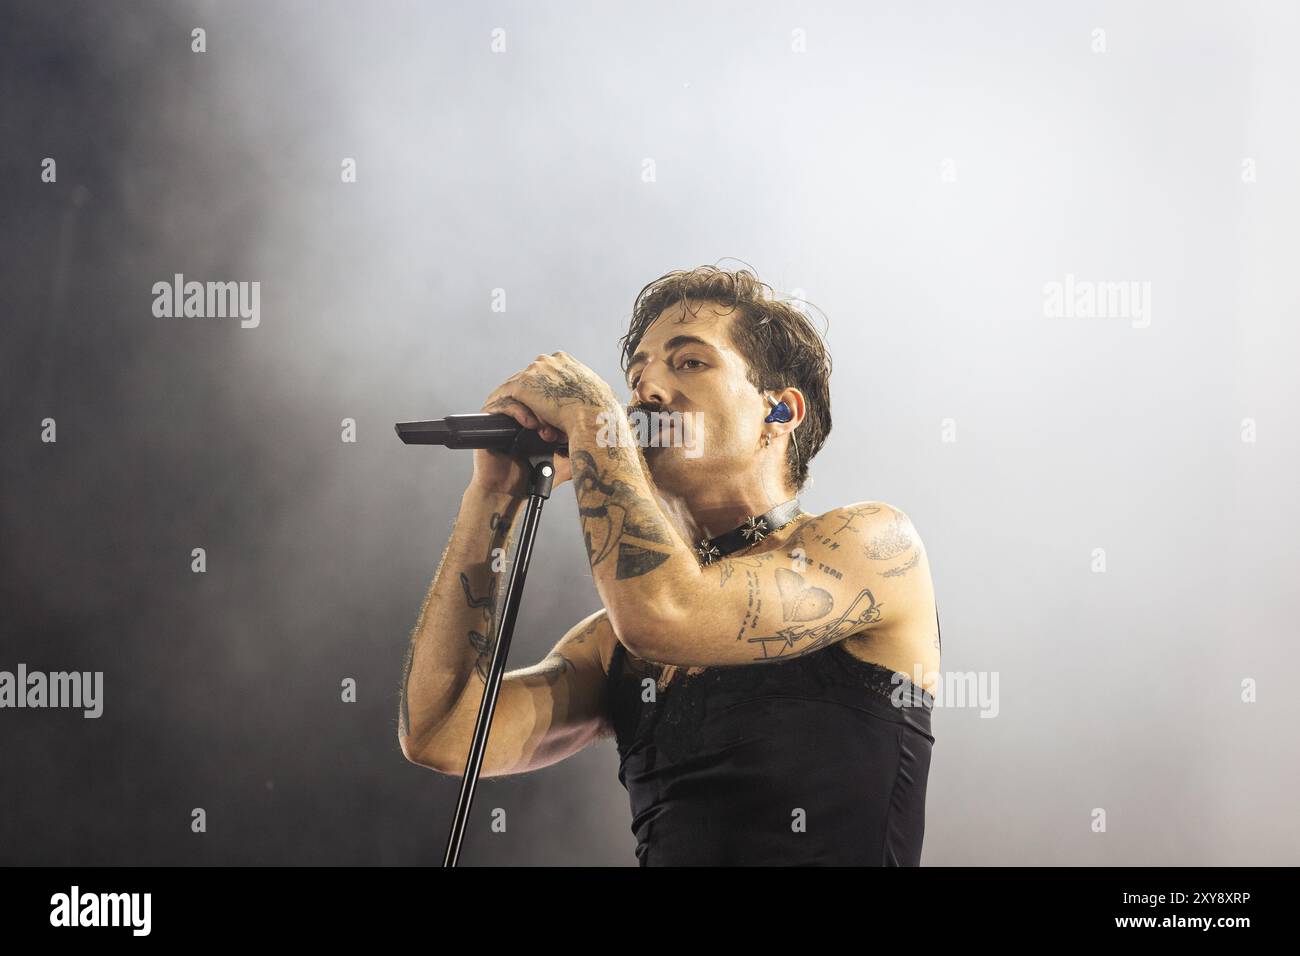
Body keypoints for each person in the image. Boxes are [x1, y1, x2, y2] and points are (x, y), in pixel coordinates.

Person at [397, 265, 940, 865]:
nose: (646, 391)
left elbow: (670, 612)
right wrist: (493, 497)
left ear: (781, 411)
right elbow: (444, 734)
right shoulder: (613, 645)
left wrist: (591, 419)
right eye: (636, 375)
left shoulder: (869, 544)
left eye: (689, 363)